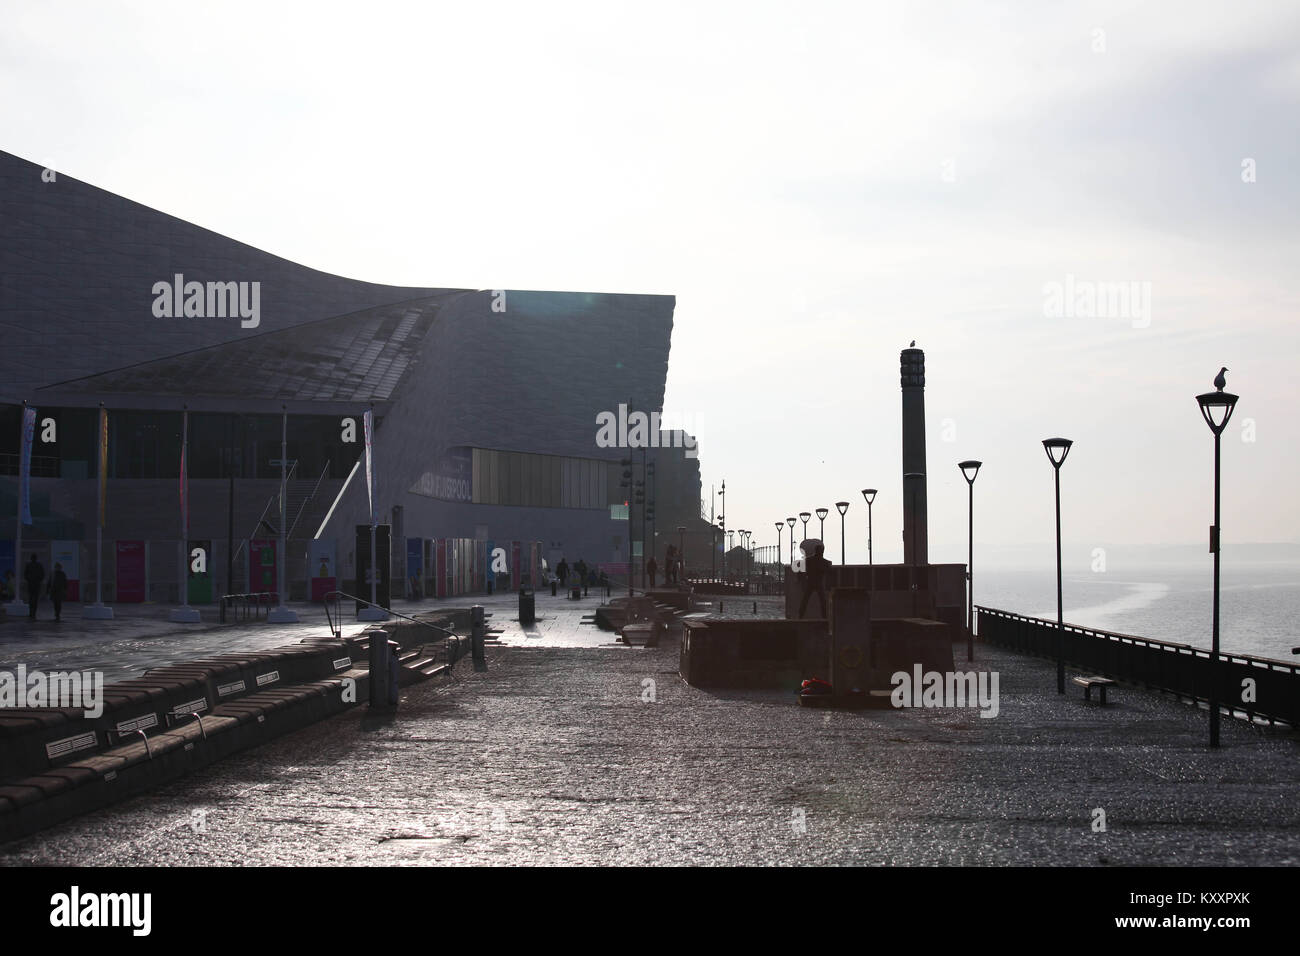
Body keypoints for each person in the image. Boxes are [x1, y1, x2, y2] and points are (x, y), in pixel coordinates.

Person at [798, 543, 831, 619]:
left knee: (805, 600)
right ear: (822, 551)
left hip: (810, 582)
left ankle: (800, 616)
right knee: (823, 601)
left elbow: (800, 571)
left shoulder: (808, 560)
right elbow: (829, 573)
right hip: (819, 583)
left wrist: (801, 580)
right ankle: (824, 618)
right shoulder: (825, 562)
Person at [24, 553, 45, 620]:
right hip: (36, 584)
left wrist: (29, 579)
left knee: (31, 599)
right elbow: (42, 574)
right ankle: (33, 613)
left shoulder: (29, 565)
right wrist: (39, 580)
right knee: (35, 599)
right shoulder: (39, 565)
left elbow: (25, 574)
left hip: (31, 584)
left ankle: (31, 613)